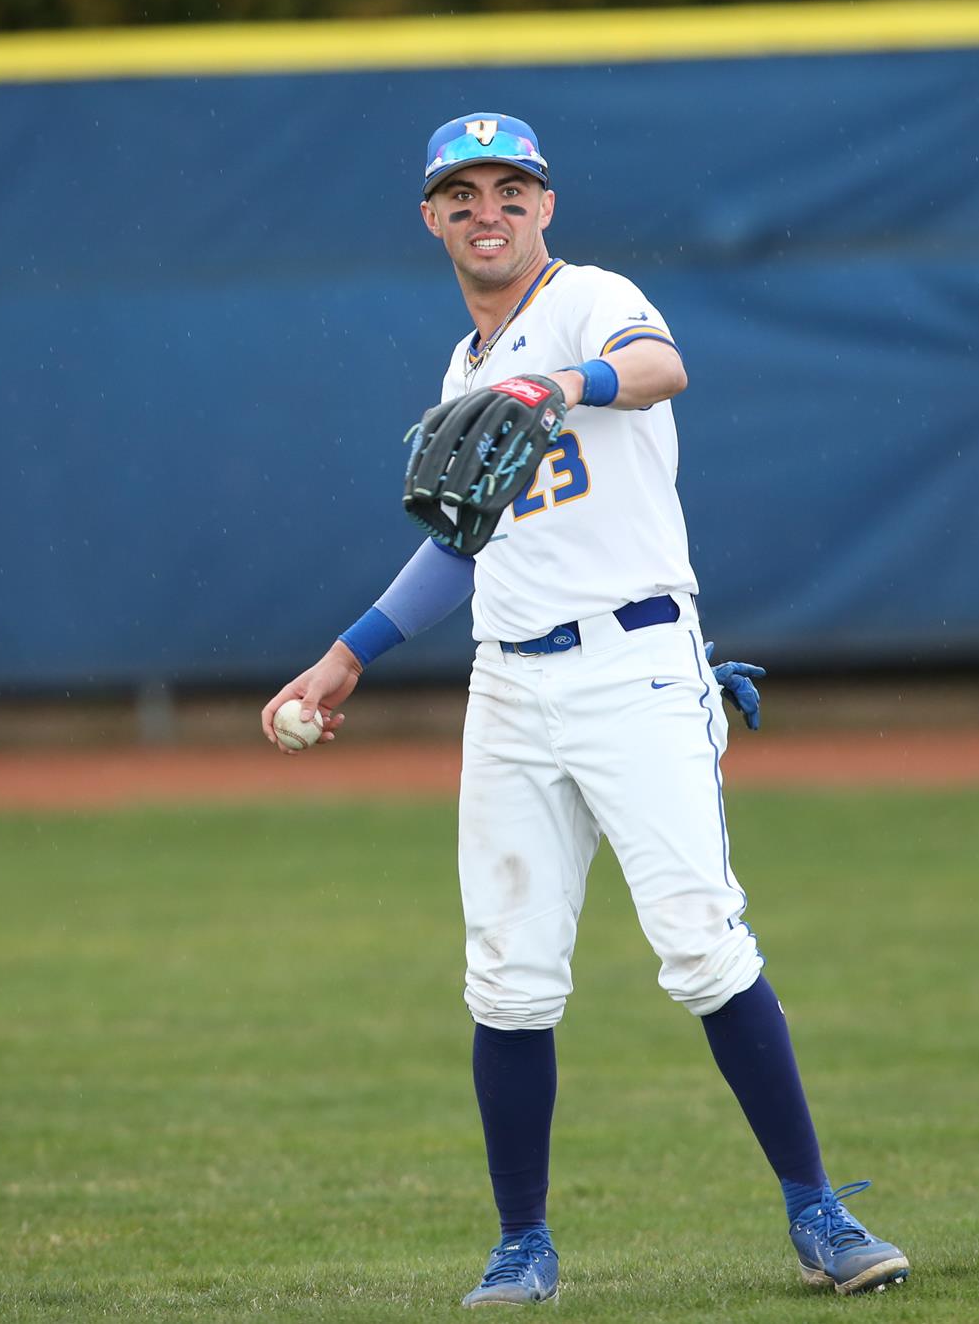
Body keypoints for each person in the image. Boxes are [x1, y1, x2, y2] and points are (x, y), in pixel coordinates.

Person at [259, 112, 910, 1307]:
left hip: (635, 670)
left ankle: (819, 1213)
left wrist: (565, 376)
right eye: (462, 194)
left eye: (511, 188)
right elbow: (459, 546)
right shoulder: (460, 369)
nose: (487, 210)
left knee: (701, 943)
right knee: (508, 975)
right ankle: (522, 1245)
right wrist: (345, 656)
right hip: (505, 684)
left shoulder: (587, 298)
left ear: (546, 204)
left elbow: (661, 365)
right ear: (431, 218)